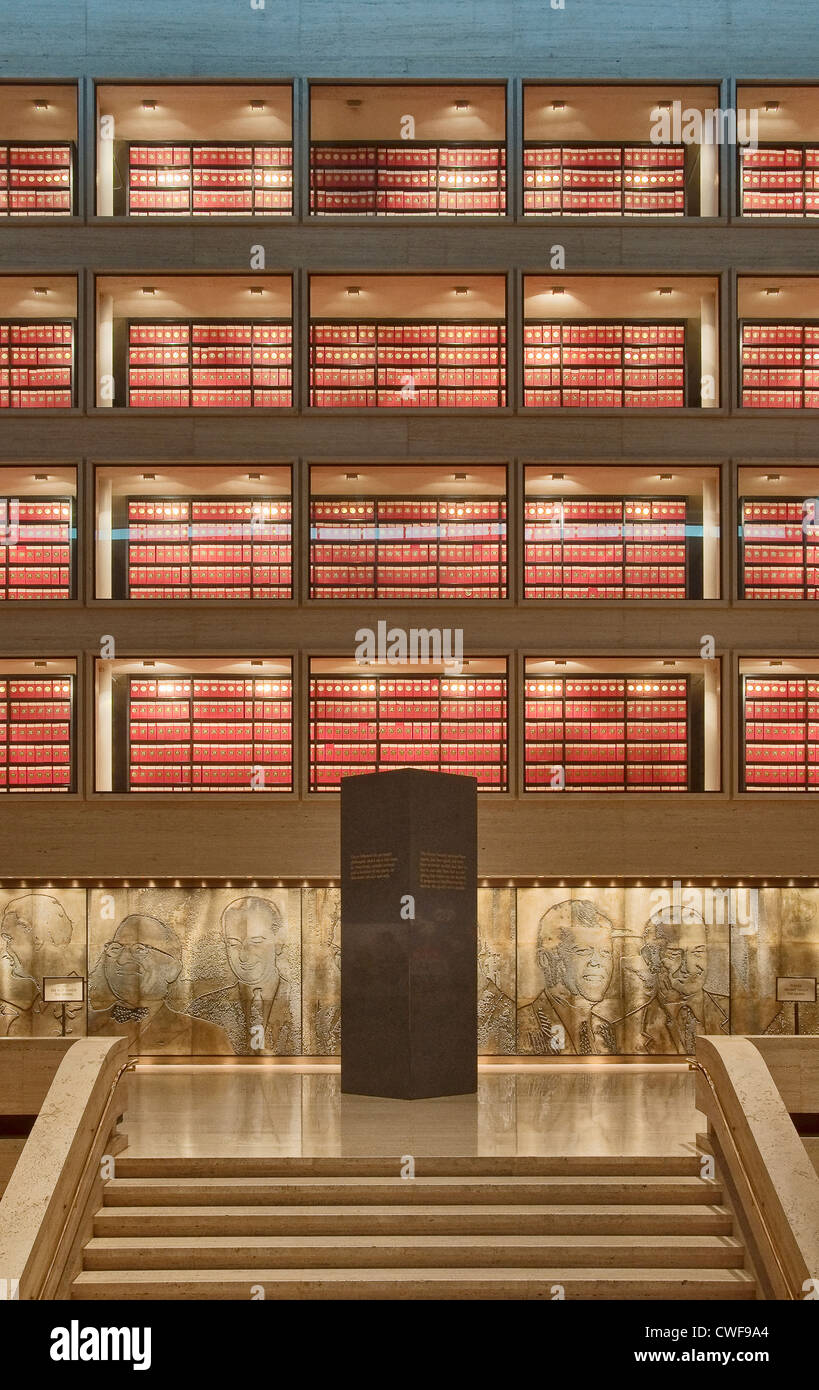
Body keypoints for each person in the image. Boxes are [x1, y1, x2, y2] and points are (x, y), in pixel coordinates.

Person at [88, 913, 232, 1055]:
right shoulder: (86, 1026)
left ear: (172, 969)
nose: (122, 959)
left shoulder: (208, 1036)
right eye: (115, 948)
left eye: (140, 949)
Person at [187, 896, 297, 1054]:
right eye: (233, 944)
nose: (243, 956)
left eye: (256, 942)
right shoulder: (202, 1009)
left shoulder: (306, 1007)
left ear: (279, 942)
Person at [516, 899, 618, 1055]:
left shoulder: (605, 1030)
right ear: (545, 959)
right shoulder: (522, 1026)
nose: (597, 962)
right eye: (583, 951)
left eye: (605, 953)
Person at [634, 907, 728, 1055]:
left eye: (698, 952)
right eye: (675, 954)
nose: (689, 967)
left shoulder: (729, 1011)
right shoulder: (626, 1027)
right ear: (651, 958)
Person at [0, 894, 83, 1036]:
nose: (5, 950)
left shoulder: (81, 1000)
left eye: (9, 939)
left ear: (37, 939)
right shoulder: (35, 1003)